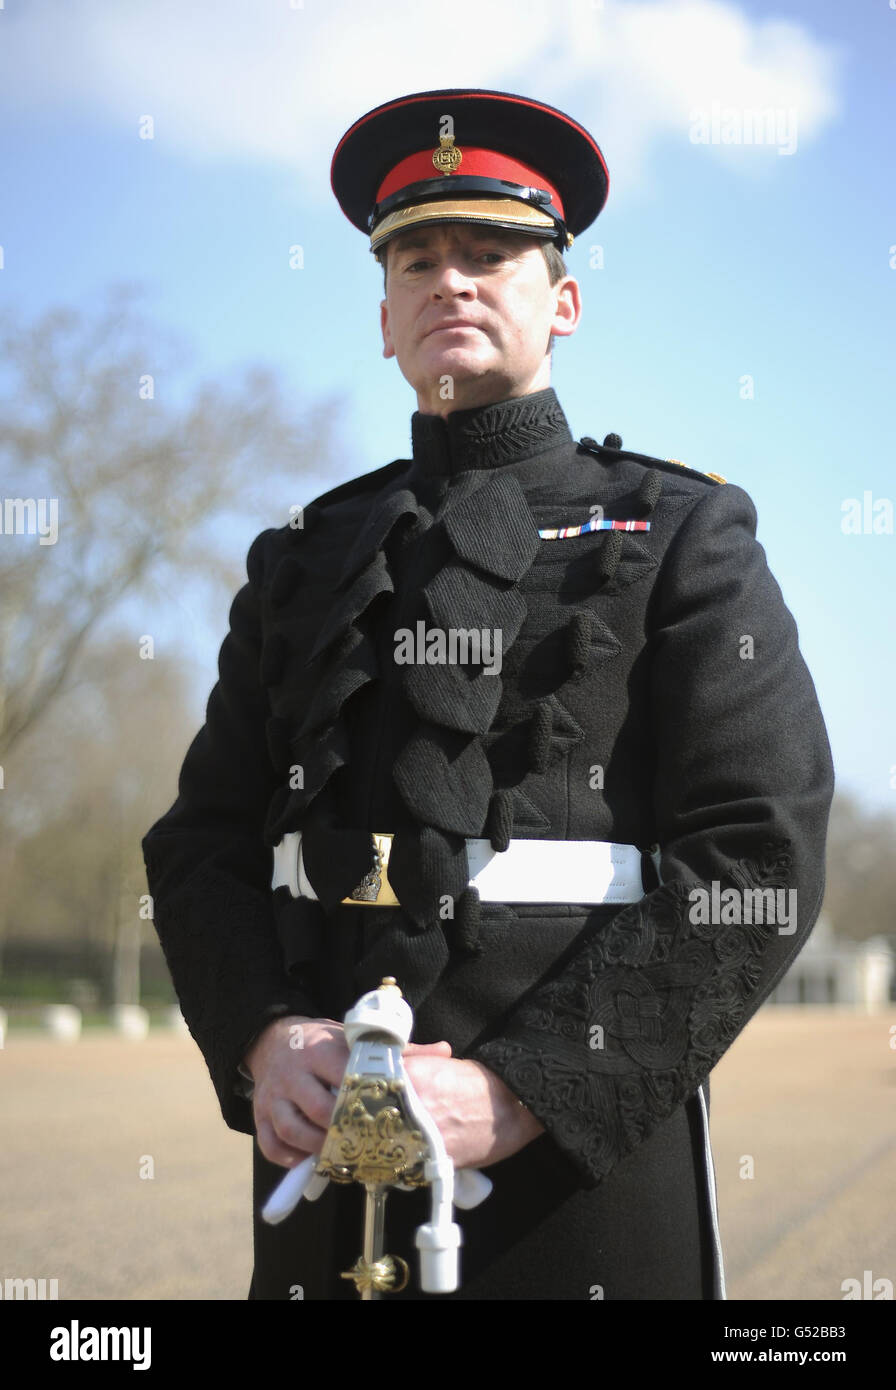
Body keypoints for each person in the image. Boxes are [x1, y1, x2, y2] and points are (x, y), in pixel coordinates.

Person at [142, 87, 835, 1301]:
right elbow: (201, 839)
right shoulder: (303, 552)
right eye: (418, 259)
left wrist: (530, 1087)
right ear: (383, 315)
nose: (450, 281)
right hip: (318, 1185)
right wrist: (261, 1037)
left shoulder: (681, 531)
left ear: (560, 302)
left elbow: (754, 855)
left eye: (488, 254)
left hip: (579, 1194)